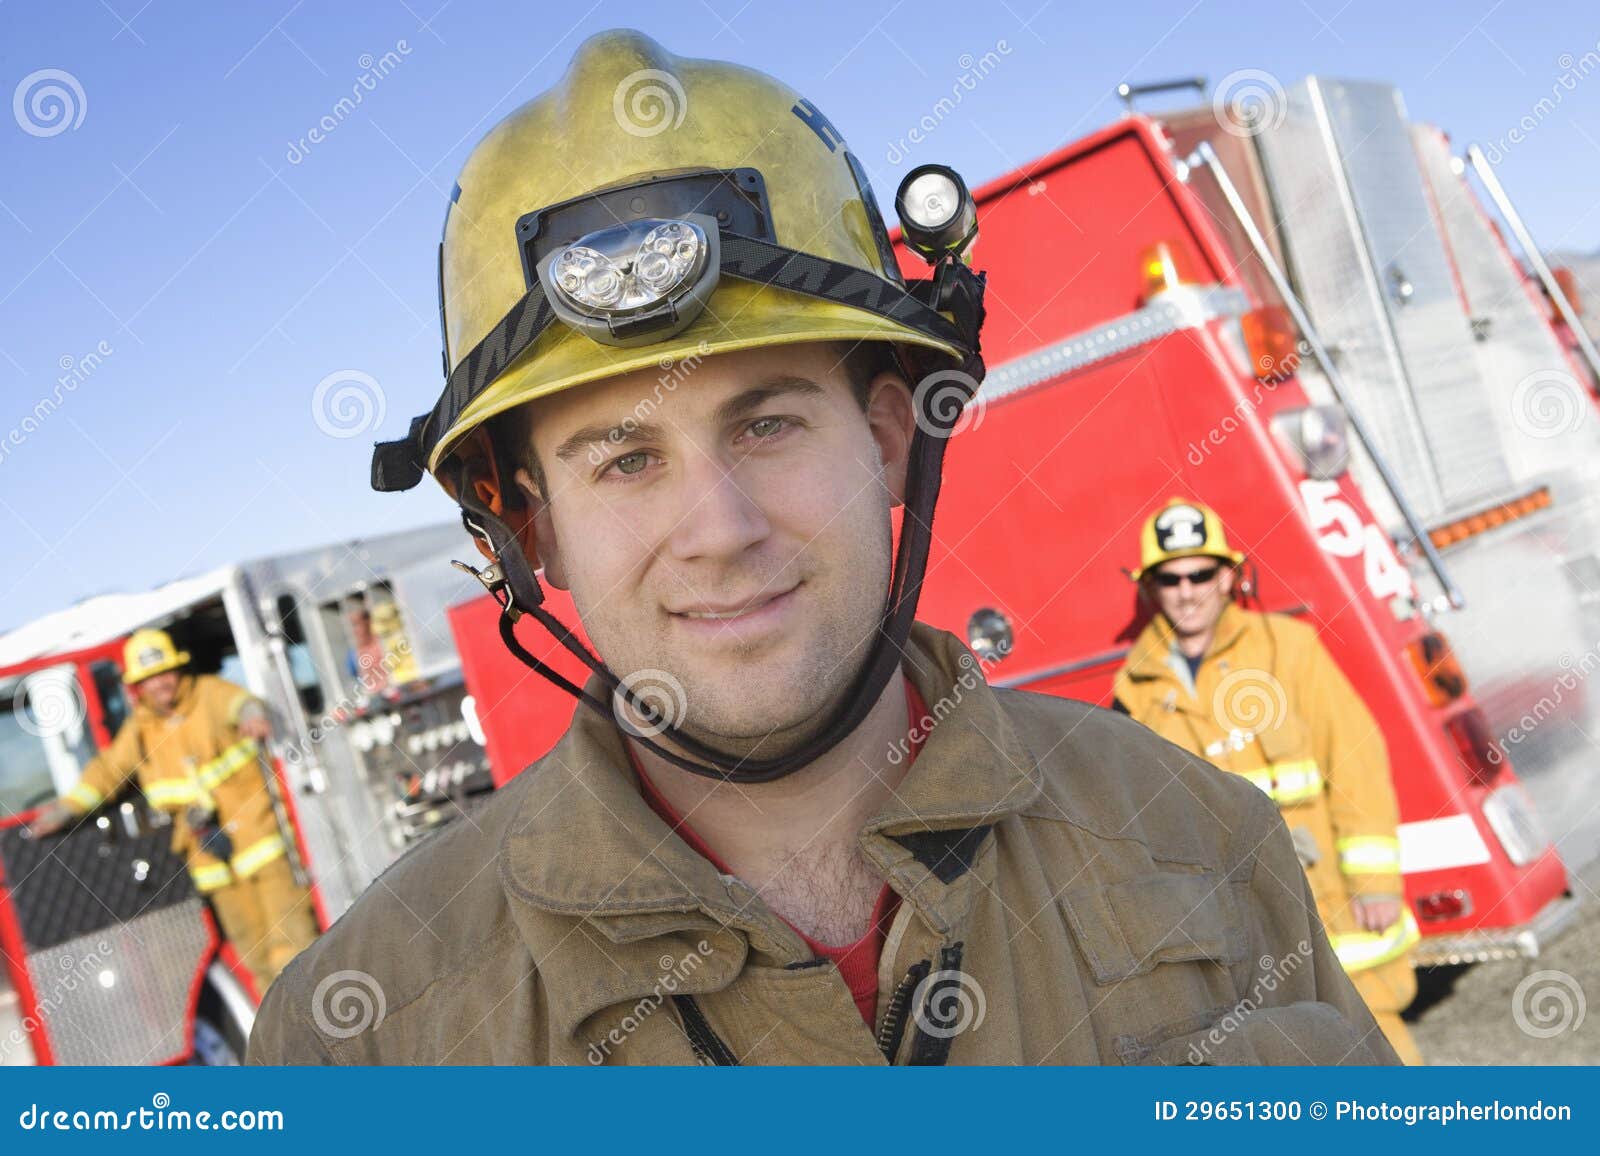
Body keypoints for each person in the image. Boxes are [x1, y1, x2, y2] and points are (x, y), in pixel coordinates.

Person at [247, 30, 1396, 1066]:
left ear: (891, 437)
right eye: (624, 459)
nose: (721, 529)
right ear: (526, 524)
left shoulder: (1198, 836)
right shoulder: (366, 1039)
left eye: (767, 422)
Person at [1111, 498, 1422, 1064]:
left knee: (1372, 1035)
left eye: (1201, 573)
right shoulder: (1136, 685)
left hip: (1323, 894)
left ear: (1229, 577)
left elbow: (1353, 757)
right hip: (1224, 917)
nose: (1187, 590)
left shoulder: (1287, 650)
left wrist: (1375, 879)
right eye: (1170, 577)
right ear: (1151, 587)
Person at [28, 628, 319, 997]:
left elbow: (241, 703)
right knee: (257, 958)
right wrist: (66, 809)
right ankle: (288, 1045)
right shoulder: (141, 729)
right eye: (150, 678)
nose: (161, 684)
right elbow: (107, 772)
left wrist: (252, 715)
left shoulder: (209, 694)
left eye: (165, 673)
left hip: (261, 844)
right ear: (138, 686)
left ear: (179, 670)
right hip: (212, 862)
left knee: (293, 947)